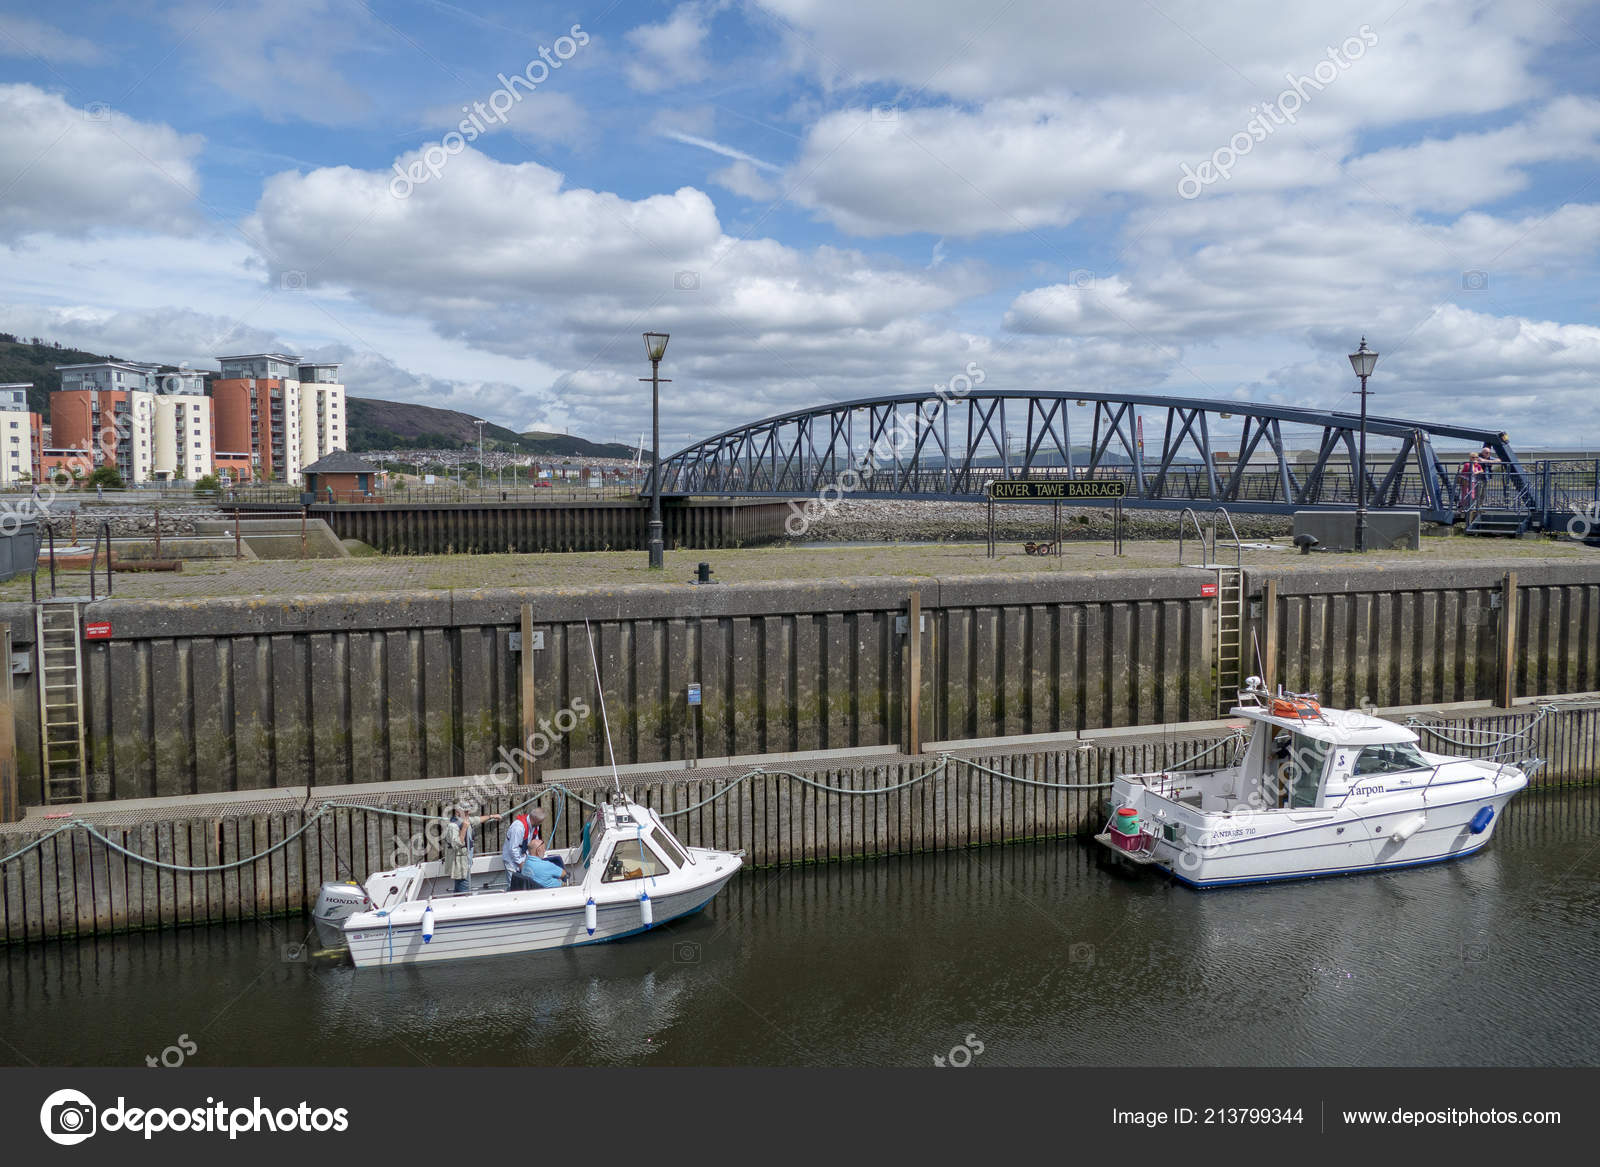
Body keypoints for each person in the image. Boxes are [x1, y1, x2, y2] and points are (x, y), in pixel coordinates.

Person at [442, 804, 500, 894]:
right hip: (460, 863)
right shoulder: (452, 826)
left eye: (467, 811)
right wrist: (464, 828)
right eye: (464, 811)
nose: (467, 813)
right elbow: (456, 844)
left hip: (466, 860)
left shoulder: (466, 820)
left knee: (459, 887)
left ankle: (456, 901)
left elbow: (477, 820)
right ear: (457, 812)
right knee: (464, 887)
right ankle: (461, 903)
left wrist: (491, 816)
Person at [502, 808, 564, 890]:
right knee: (515, 887)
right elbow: (513, 849)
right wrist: (521, 864)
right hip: (512, 861)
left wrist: (539, 860)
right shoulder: (518, 828)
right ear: (535, 820)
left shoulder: (535, 826)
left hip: (525, 858)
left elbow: (535, 844)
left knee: (527, 884)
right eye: (540, 822)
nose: (541, 824)